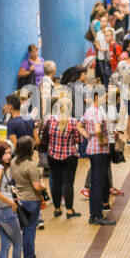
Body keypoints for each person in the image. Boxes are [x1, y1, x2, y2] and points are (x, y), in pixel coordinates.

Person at [45, 92, 84, 220]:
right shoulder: (73, 122)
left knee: (56, 182)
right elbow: (79, 140)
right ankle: (69, 210)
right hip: (69, 157)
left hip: (53, 155)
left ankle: (56, 209)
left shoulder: (50, 119)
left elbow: (44, 136)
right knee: (68, 184)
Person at [10, 136, 45, 258]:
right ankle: (29, 257)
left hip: (20, 200)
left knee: (24, 228)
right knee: (30, 229)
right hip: (32, 200)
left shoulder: (13, 162)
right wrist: (43, 185)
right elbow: (36, 187)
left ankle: (25, 254)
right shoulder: (30, 166)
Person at [82, 93, 115, 226]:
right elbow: (97, 129)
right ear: (97, 97)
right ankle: (97, 216)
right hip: (99, 152)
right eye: (104, 97)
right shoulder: (97, 113)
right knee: (98, 184)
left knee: (95, 183)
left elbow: (79, 126)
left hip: (91, 150)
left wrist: (88, 137)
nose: (105, 99)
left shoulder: (89, 111)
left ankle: (93, 215)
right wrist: (102, 141)